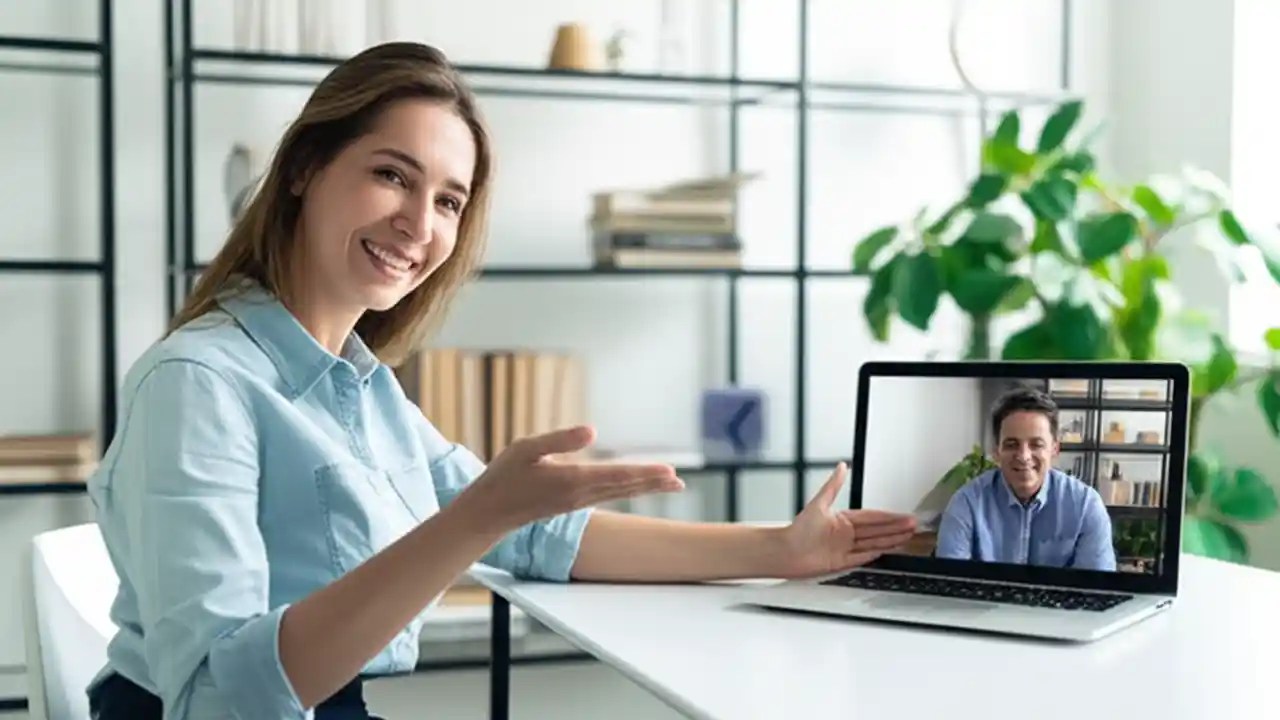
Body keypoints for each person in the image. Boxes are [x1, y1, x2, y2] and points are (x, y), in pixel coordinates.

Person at [83, 42, 917, 720]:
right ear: (304, 167)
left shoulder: (363, 389)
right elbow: (219, 699)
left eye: (449, 201)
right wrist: (478, 517)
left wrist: (779, 549)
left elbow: (538, 537)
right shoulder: (198, 384)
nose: (419, 224)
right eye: (392, 175)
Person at [934, 385, 1116, 571]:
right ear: (997, 451)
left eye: (1036, 444)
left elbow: (1096, 583)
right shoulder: (966, 503)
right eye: (1011, 444)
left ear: (1054, 449)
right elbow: (950, 581)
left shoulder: (1086, 506)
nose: (1023, 456)